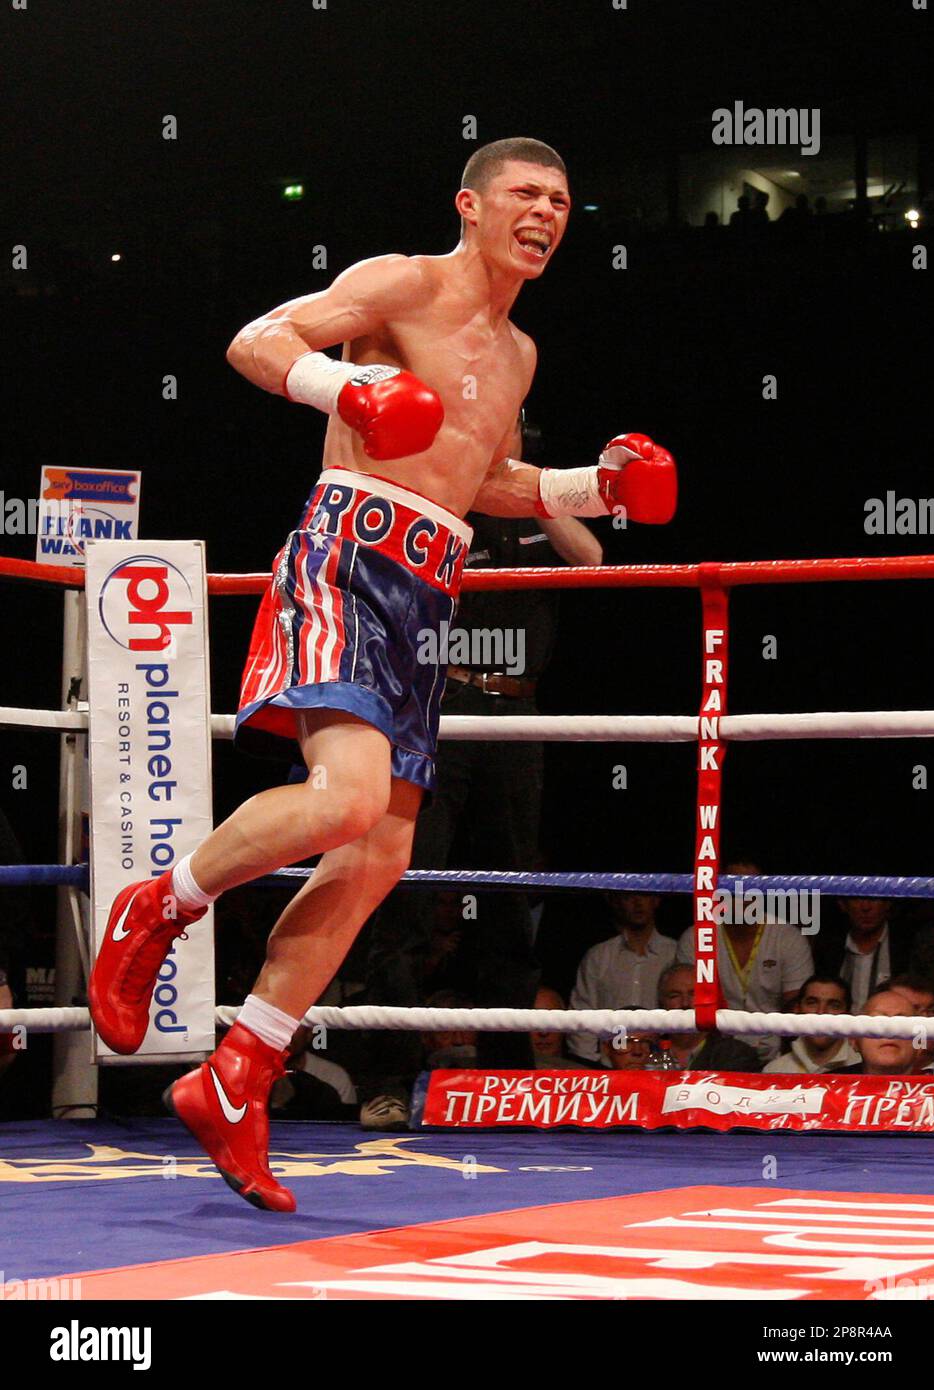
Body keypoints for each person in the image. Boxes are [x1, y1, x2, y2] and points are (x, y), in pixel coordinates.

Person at [87, 136, 679, 1211]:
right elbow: (257, 340)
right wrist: (349, 391)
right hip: (347, 558)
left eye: (561, 199)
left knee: (381, 851)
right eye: (525, 194)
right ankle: (156, 908)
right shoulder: (402, 280)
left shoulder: (519, 355)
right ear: (472, 203)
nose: (546, 212)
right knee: (349, 798)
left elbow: (484, 472)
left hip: (429, 590)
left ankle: (240, 1072)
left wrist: (596, 486)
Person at [356, 414, 602, 1127]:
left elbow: (589, 560)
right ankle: (385, 1081)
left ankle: (506, 1081)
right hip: (434, 708)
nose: (496, 440)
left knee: (508, 899)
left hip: (515, 719)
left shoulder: (541, 509)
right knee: (400, 895)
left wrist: (540, 495)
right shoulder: (426, 503)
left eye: (507, 430)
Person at [676, 859, 813, 1062]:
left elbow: (797, 1006)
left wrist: (786, 1056)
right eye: (733, 887)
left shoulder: (787, 937)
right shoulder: (697, 935)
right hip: (713, 1049)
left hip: (775, 1050)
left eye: (750, 887)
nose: (742, 895)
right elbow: (685, 999)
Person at [569, 891, 677, 1063]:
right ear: (618, 902)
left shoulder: (674, 954)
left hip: (661, 1064)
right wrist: (590, 1066)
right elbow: (583, 1014)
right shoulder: (599, 956)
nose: (638, 902)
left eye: (644, 895)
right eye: (629, 896)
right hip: (606, 1066)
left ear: (656, 900)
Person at [653, 964, 762, 1071]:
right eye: (674, 996)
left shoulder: (736, 1055)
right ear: (662, 1003)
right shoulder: (646, 1050)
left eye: (693, 994)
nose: (685, 1003)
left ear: (709, 1000)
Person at [813, 897, 915, 1012]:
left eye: (874, 898)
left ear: (888, 903)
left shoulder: (909, 946)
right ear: (842, 904)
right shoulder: (828, 947)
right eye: (856, 898)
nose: (866, 907)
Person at [763, 975, 860, 1074]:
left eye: (834, 1005)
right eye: (812, 1003)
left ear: (848, 1016)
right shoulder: (774, 1071)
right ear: (797, 1010)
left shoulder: (865, 1069)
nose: (821, 1012)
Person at [831, 990, 927, 1076]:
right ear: (854, 1040)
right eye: (878, 1022)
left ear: (920, 1042)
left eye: (901, 1023)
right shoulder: (827, 1085)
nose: (890, 1031)